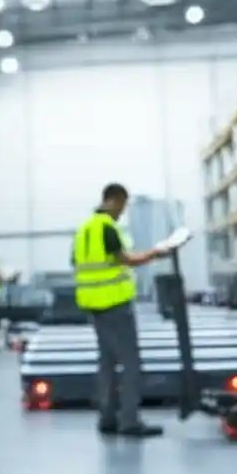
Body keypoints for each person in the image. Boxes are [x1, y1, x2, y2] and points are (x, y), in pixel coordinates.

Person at [72, 183, 171, 438]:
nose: (122, 212)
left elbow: (76, 262)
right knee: (131, 362)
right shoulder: (107, 227)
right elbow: (125, 259)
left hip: (92, 304)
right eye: (123, 206)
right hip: (114, 303)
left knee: (106, 361)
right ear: (114, 200)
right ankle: (129, 421)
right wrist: (155, 253)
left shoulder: (83, 229)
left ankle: (106, 418)